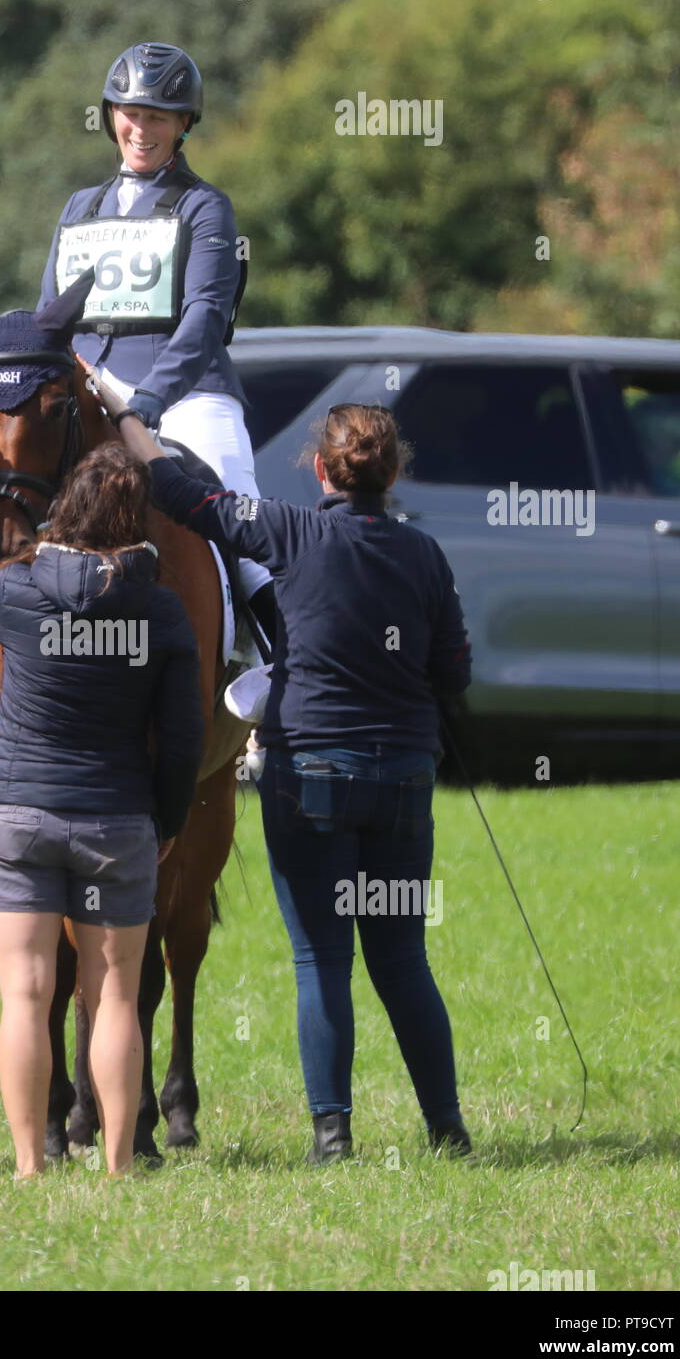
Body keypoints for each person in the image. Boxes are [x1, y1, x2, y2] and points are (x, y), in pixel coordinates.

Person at [87, 366, 476, 1164]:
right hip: (404, 778)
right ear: (390, 471)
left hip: (311, 777)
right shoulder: (428, 556)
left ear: (322, 469)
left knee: (322, 959)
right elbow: (454, 675)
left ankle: (333, 1138)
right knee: (403, 958)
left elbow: (183, 494)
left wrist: (126, 410)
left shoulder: (288, 532)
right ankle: (447, 1129)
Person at [0, 41, 274, 763]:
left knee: (238, 515)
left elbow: (206, 316)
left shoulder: (205, 207)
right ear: (110, 117)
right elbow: (48, 317)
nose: (141, 129)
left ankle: (285, 681)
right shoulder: (80, 207)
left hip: (184, 394)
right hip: (85, 386)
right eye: (130, 114)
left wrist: (146, 402)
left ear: (185, 124)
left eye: (159, 116)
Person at [0, 434, 205, 1178]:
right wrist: (166, 822)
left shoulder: (12, 588)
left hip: (13, 816)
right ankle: (116, 1165)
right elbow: (183, 739)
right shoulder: (163, 614)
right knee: (115, 1000)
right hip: (115, 821)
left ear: (65, 508)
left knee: (25, 994)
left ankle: (26, 1167)